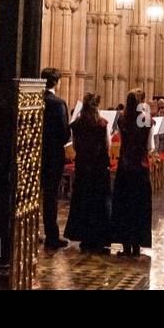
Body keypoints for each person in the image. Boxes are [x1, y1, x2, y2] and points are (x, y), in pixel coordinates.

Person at [65, 92, 112, 252]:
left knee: (83, 201)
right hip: (99, 168)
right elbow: (107, 146)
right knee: (98, 202)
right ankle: (98, 239)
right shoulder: (102, 124)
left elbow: (76, 146)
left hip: (83, 166)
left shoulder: (76, 124)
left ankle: (84, 237)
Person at [110, 88, 152, 256]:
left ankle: (126, 244)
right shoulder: (144, 118)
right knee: (139, 206)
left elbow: (122, 141)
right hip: (140, 167)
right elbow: (149, 146)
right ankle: (137, 244)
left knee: (124, 205)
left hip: (125, 167)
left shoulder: (122, 118)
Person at [40, 68, 71, 250]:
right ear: (57, 82)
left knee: (30, 196)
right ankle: (52, 236)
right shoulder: (58, 103)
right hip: (53, 156)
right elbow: (64, 134)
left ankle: (28, 231)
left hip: (35, 154)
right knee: (50, 197)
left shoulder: (35, 100)